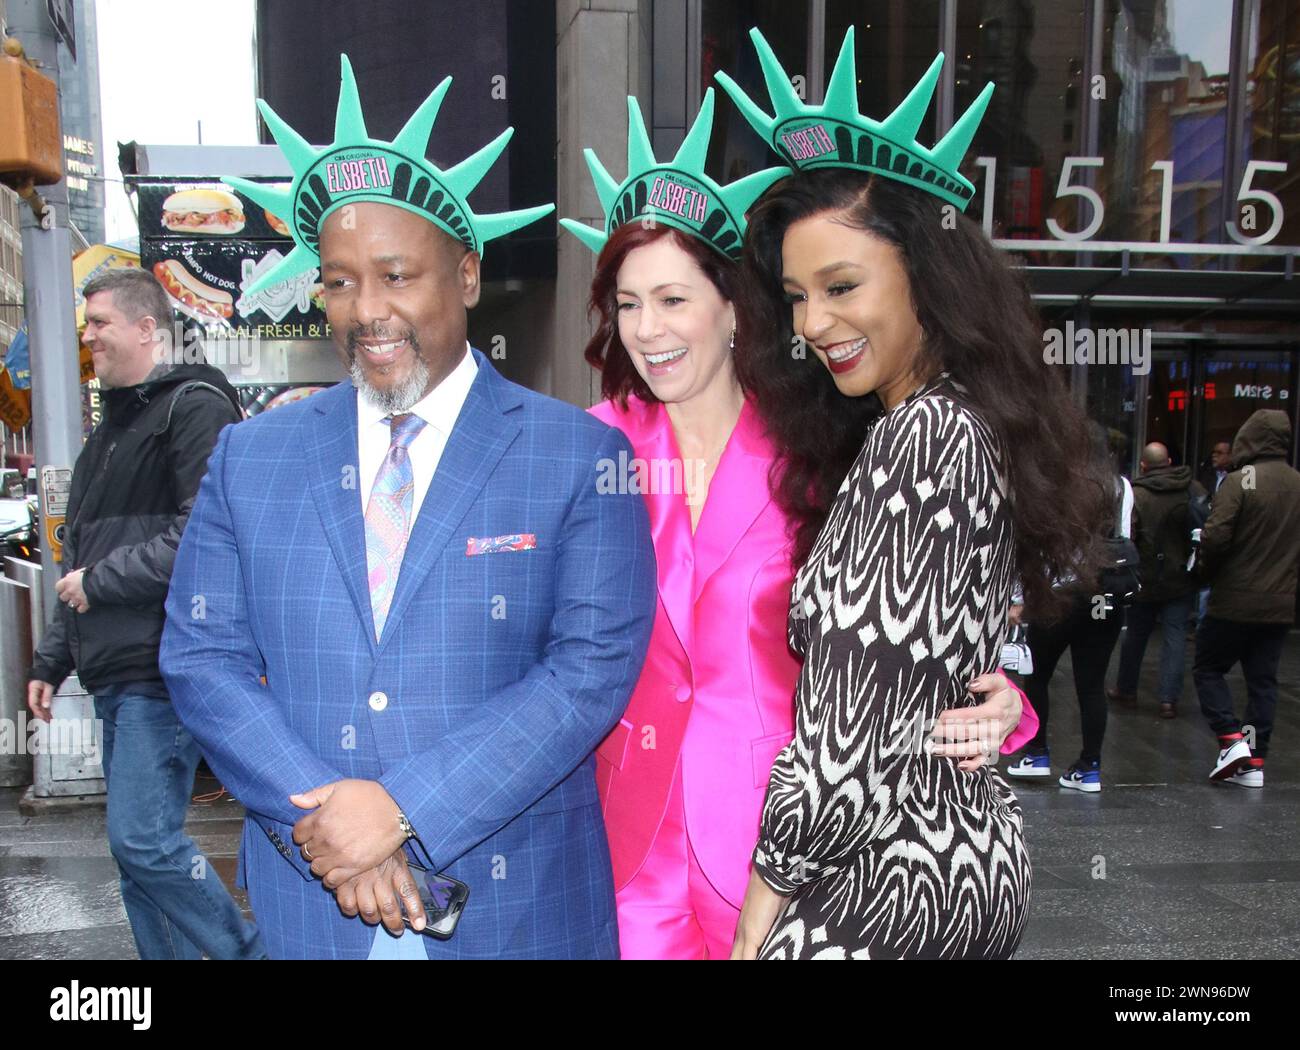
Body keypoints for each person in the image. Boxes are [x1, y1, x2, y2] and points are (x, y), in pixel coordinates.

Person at [159, 57, 657, 959]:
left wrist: (403, 810)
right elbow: (202, 658)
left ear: (465, 277)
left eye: (397, 275)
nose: (368, 309)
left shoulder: (579, 458)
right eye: (341, 280)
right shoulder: (251, 456)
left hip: (517, 912)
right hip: (315, 907)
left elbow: (587, 673)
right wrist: (333, 824)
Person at [560, 92, 1038, 959]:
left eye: (672, 298)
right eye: (626, 304)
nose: (647, 330)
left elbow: (910, 619)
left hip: (796, 840)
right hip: (629, 837)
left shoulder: (828, 440)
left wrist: (1001, 701)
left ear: (736, 307)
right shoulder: (585, 450)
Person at [716, 27, 1106, 959]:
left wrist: (760, 907)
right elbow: (935, 664)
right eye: (797, 297)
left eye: (841, 285)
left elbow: (847, 740)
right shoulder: (967, 422)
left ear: (924, 274)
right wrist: (1008, 698)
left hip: (875, 886)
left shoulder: (923, 436)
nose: (813, 324)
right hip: (957, 866)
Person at [25, 268, 256, 960]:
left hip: (165, 663)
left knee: (143, 840)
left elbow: (204, 535)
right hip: (115, 669)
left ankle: (245, 953)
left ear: (147, 328)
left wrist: (102, 581)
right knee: (136, 856)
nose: (87, 334)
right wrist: (51, 658)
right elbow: (80, 555)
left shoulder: (193, 407)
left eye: (99, 322)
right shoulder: (110, 431)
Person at [1009, 423, 1131, 792]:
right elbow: (1122, 536)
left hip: (1061, 593)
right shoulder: (1120, 485)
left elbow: (1040, 546)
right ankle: (1089, 766)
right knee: (1092, 683)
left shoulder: (1057, 482)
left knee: (1039, 675)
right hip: (1104, 591)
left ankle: (1038, 752)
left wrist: (1020, 598)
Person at [1193, 410, 1300, 789]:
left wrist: (1203, 571)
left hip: (1235, 598)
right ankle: (1253, 760)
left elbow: (1217, 536)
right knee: (1262, 682)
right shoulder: (1296, 482)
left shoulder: (1241, 481)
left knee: (1208, 667)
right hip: (1279, 603)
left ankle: (1230, 738)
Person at [1109, 442, 1205, 718]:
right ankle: (1168, 700)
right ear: (1170, 461)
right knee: (1175, 637)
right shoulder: (1190, 489)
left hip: (1145, 577)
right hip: (1180, 578)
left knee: (1135, 636)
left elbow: (1128, 536)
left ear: (1143, 466)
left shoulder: (1137, 494)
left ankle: (1126, 689)